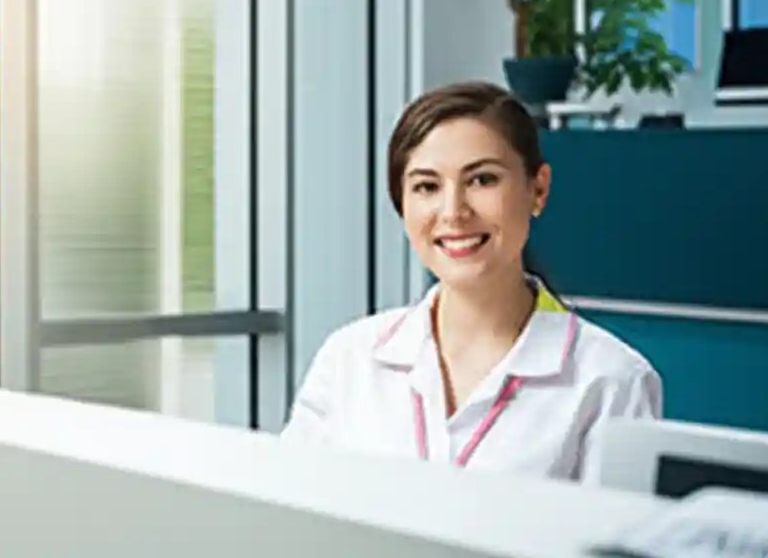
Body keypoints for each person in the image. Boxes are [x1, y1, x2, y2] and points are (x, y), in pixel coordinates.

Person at [281, 81, 662, 483]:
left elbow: (619, 542)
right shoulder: (349, 359)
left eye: (482, 180)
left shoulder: (611, 380)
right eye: (427, 187)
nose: (453, 212)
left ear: (538, 189)